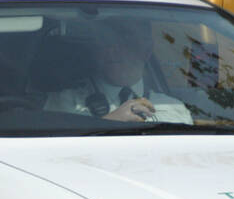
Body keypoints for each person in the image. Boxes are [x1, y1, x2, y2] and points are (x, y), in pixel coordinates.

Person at [45, 19, 193, 124]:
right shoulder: (65, 103)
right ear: (95, 49)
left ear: (146, 49)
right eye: (105, 41)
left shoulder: (174, 109)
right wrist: (108, 124)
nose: (113, 50)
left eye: (126, 40)